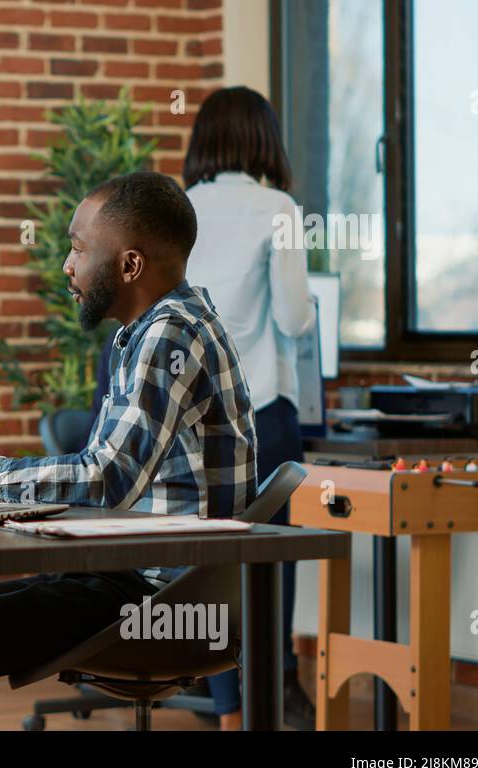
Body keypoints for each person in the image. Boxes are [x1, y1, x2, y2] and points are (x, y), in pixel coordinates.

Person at [0, 170, 258, 730]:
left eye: (77, 249)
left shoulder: (170, 334)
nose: (67, 266)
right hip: (136, 578)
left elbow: (104, 480)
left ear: (130, 264)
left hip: (159, 599)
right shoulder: (162, 327)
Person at [183, 86, 317, 731]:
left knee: (207, 563)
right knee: (269, 560)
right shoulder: (278, 208)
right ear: (264, 139)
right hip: (262, 410)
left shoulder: (175, 208)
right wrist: (314, 308)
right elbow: (292, 319)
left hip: (188, 416)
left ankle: (226, 711)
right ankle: (274, 693)